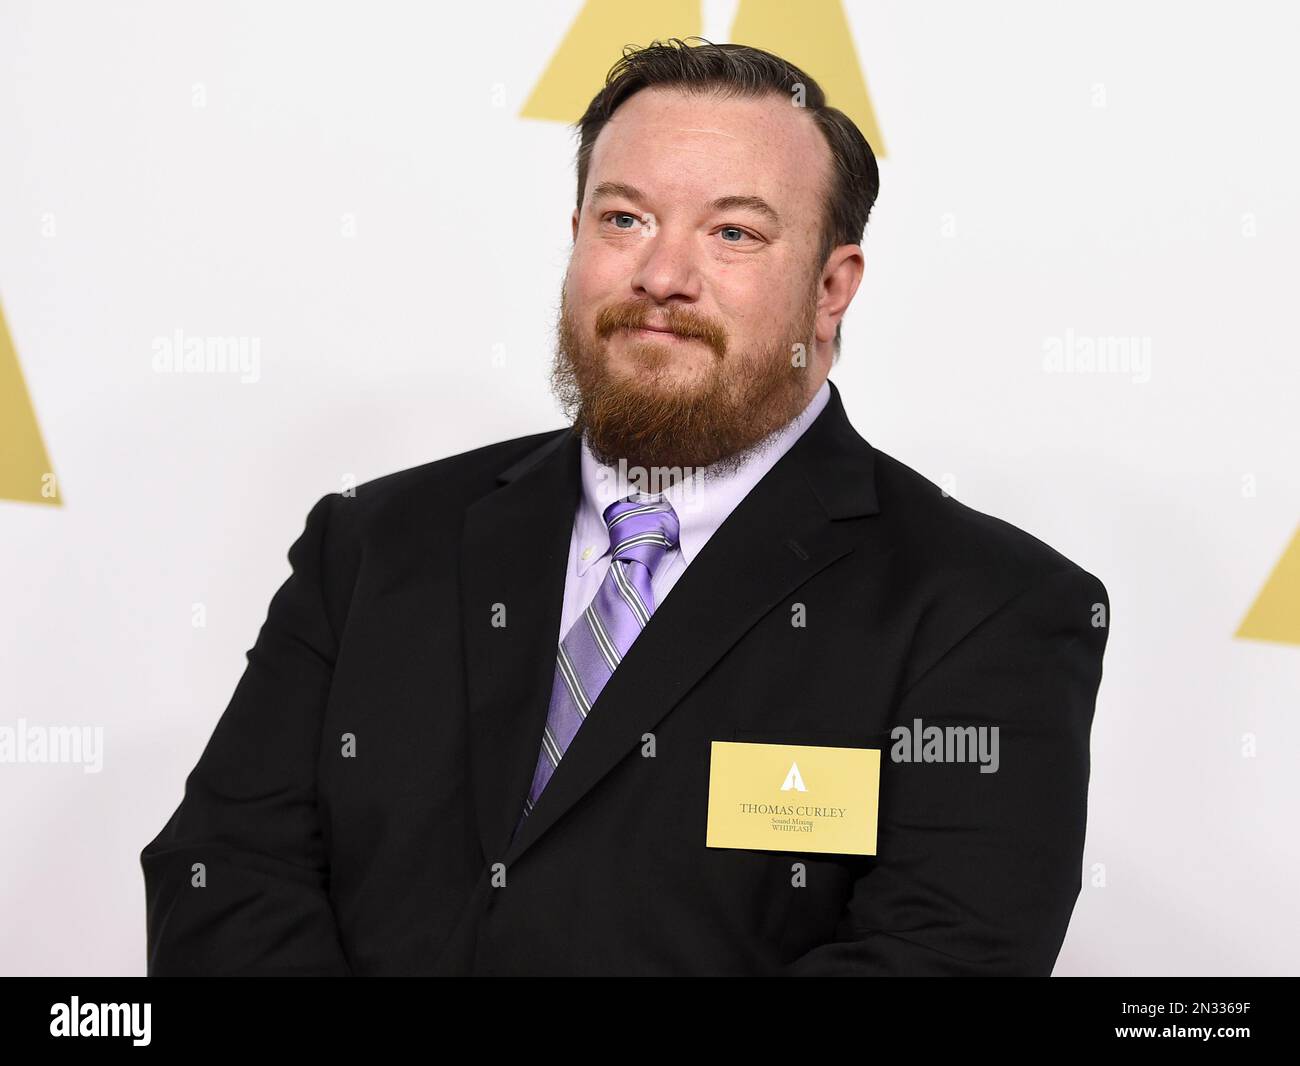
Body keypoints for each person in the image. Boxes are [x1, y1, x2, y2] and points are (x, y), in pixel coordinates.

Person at [141, 38, 1109, 976]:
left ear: (831, 286)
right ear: (575, 240)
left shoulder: (987, 607)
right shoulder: (373, 541)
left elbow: (942, 952)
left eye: (734, 232)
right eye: (624, 219)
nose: (661, 276)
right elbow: (224, 868)